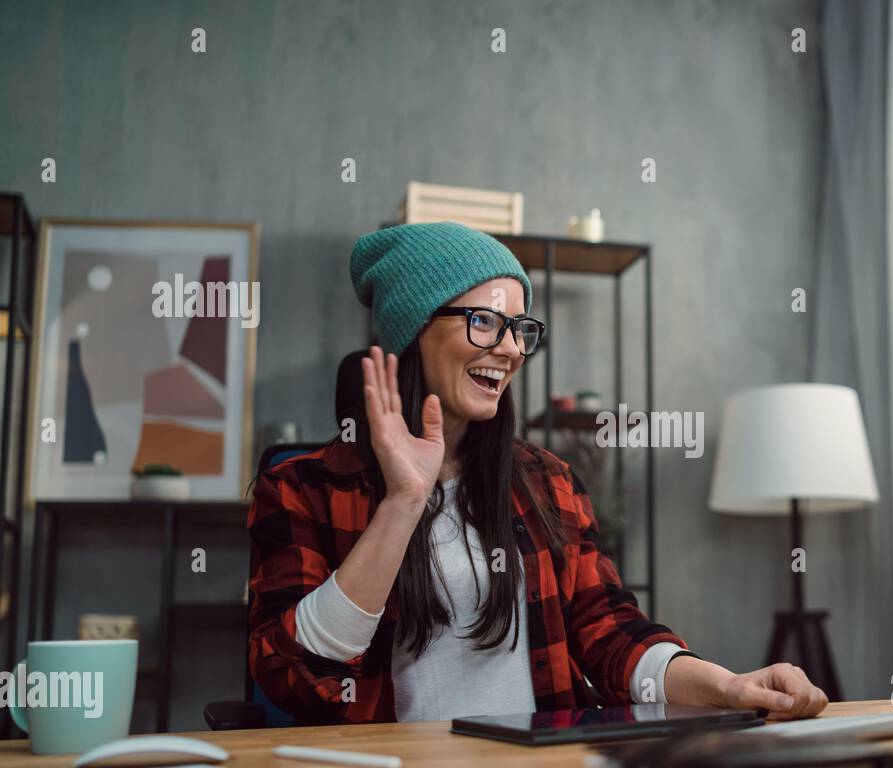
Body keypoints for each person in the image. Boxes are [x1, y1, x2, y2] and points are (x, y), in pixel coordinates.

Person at [247, 222, 829, 724]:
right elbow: (296, 678)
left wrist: (727, 686)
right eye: (483, 321)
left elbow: (607, 633)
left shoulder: (547, 484)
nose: (509, 349)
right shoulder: (300, 489)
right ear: (414, 331)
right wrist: (403, 500)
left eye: (520, 329)